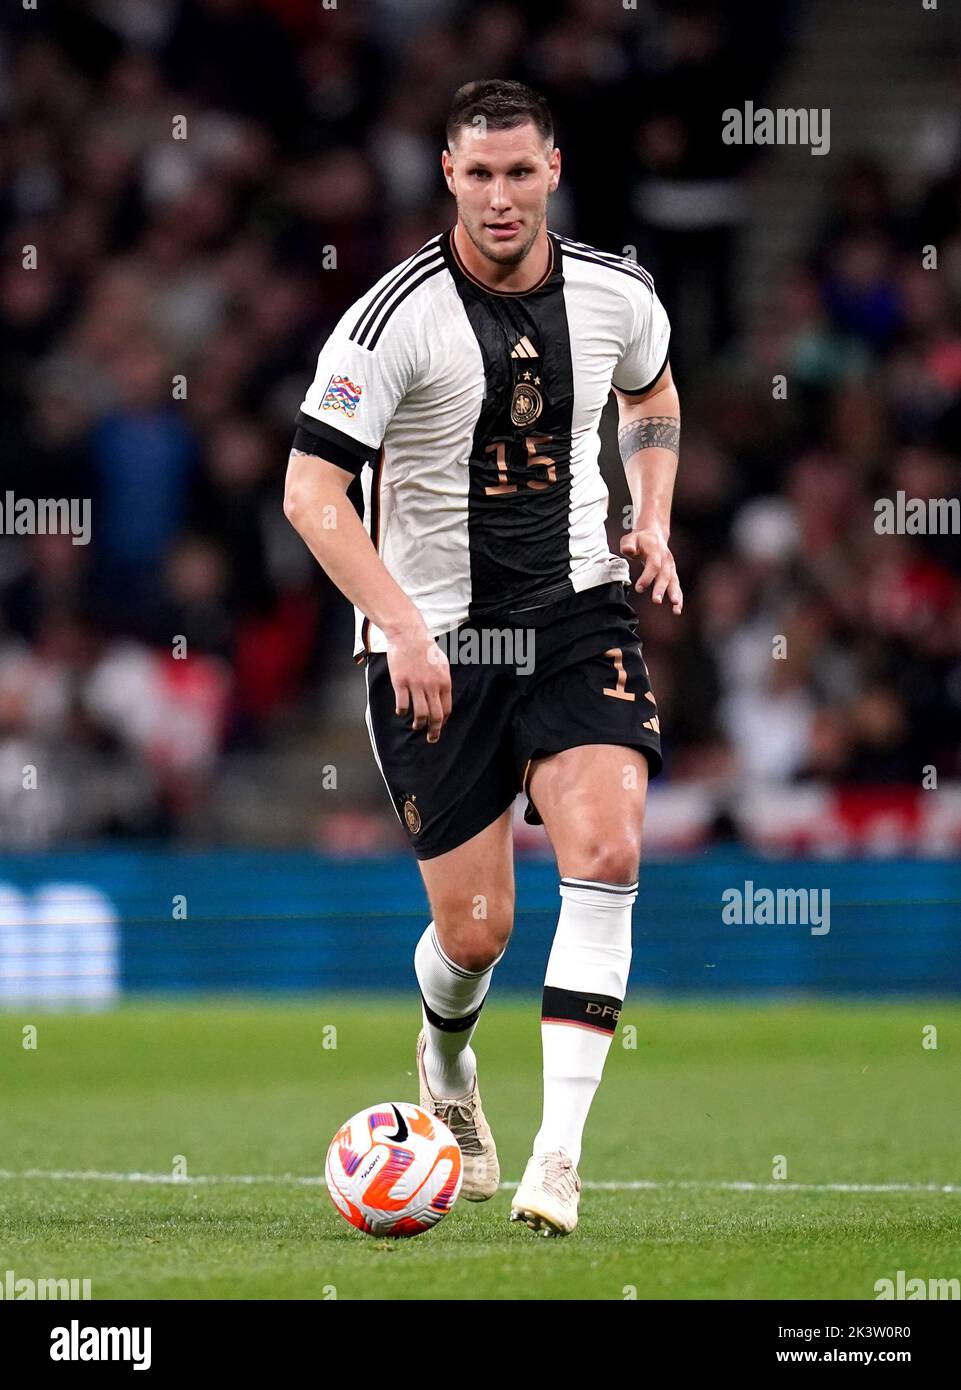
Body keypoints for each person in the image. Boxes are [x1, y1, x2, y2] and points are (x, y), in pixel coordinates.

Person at [284, 79, 683, 1236]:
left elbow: (649, 396)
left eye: (520, 171)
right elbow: (311, 495)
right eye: (478, 174)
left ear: (552, 168)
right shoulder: (386, 320)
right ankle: (445, 1056)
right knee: (476, 934)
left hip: (576, 614)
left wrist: (649, 514)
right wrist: (401, 624)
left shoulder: (617, 293)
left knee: (606, 846)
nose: (500, 195)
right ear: (447, 177)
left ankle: (556, 1158)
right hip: (435, 645)